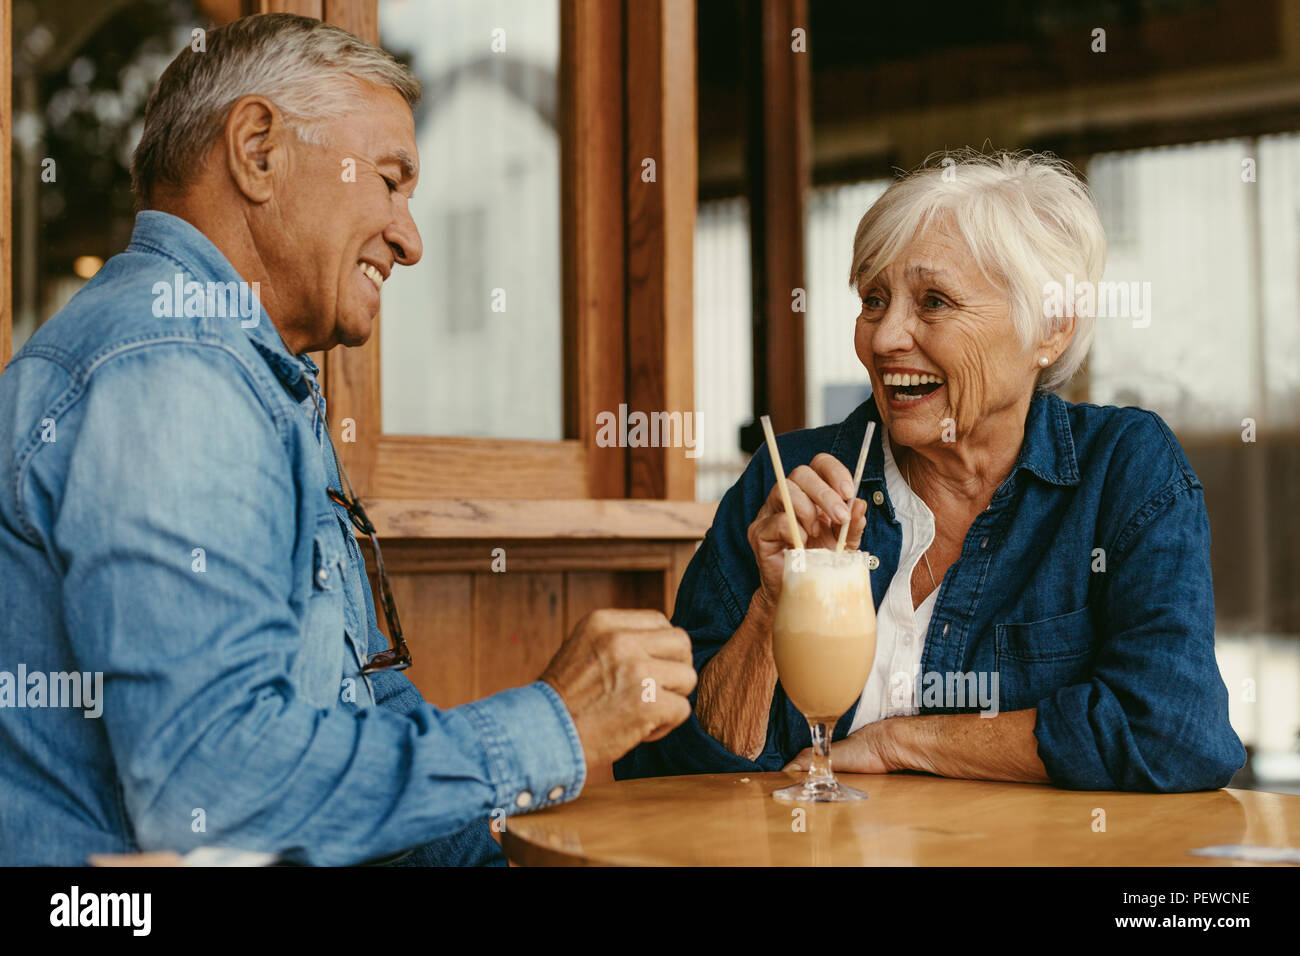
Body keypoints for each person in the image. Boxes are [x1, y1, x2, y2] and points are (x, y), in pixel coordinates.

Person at [0, 13, 695, 866]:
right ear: (257, 150)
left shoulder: (243, 370)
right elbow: (213, 791)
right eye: (390, 180)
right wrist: (551, 727)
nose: (410, 238)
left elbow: (352, 731)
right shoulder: (176, 370)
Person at [617, 150, 1245, 793]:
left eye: (934, 302)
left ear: (1051, 327)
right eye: (874, 300)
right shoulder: (791, 482)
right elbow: (668, 770)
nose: (885, 338)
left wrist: (901, 742)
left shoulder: (1122, 471)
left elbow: (1173, 732)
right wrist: (768, 609)